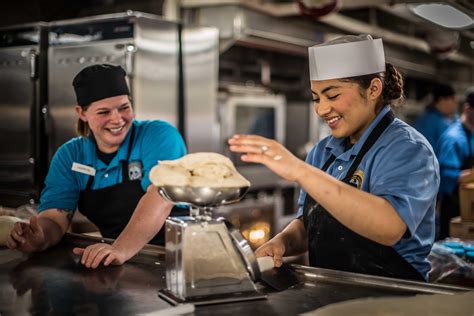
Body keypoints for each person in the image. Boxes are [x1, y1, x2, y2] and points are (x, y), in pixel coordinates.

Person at [229, 35, 439, 281]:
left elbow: (389, 227)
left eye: (332, 95)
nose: (321, 109)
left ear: (373, 89)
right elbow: (309, 226)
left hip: (392, 296)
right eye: (316, 98)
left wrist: (299, 170)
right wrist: (282, 242)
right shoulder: (322, 151)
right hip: (331, 290)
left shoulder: (407, 149)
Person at [6, 64, 186, 268]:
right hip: (120, 261)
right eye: (103, 112)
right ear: (81, 113)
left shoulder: (157, 135)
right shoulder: (71, 156)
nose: (117, 119)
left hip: (177, 257)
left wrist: (121, 248)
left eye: (124, 107)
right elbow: (55, 219)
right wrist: (40, 238)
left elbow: (160, 196)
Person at [436, 90, 474, 239]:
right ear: (467, 108)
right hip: (453, 207)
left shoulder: (470, 134)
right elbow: (444, 176)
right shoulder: (453, 138)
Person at [415, 83, 457, 149]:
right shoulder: (441, 123)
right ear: (442, 100)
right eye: (452, 100)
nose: (455, 104)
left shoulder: (421, 118)